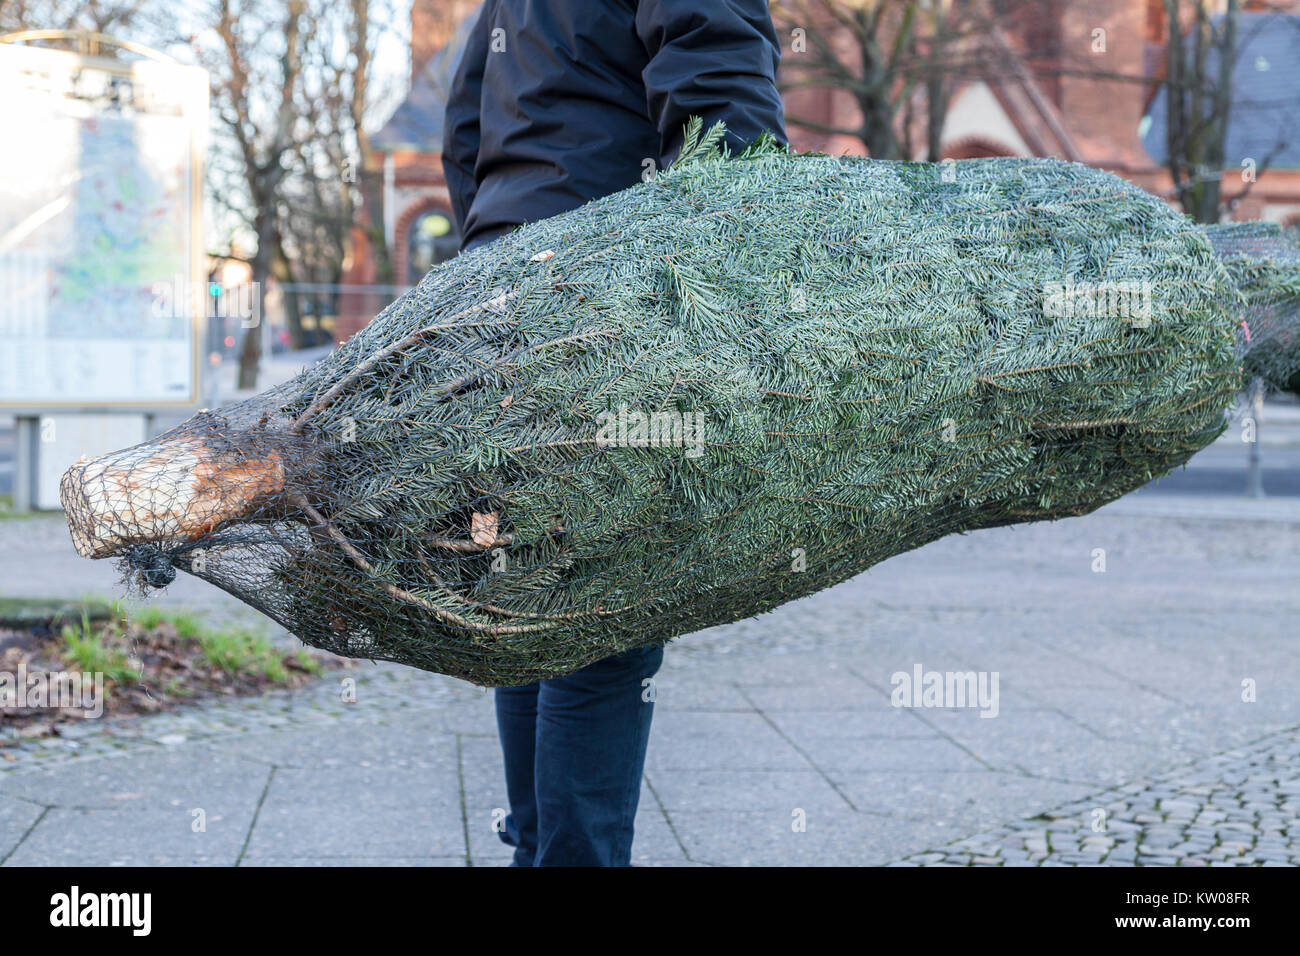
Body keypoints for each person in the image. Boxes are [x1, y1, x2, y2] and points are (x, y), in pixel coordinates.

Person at [442, 0, 787, 867]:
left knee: (524, 596)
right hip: (608, 293)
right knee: (602, 615)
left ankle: (536, 848)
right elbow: (719, 84)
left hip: (502, 299)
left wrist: (496, 253)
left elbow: (462, 127)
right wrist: (743, 274)